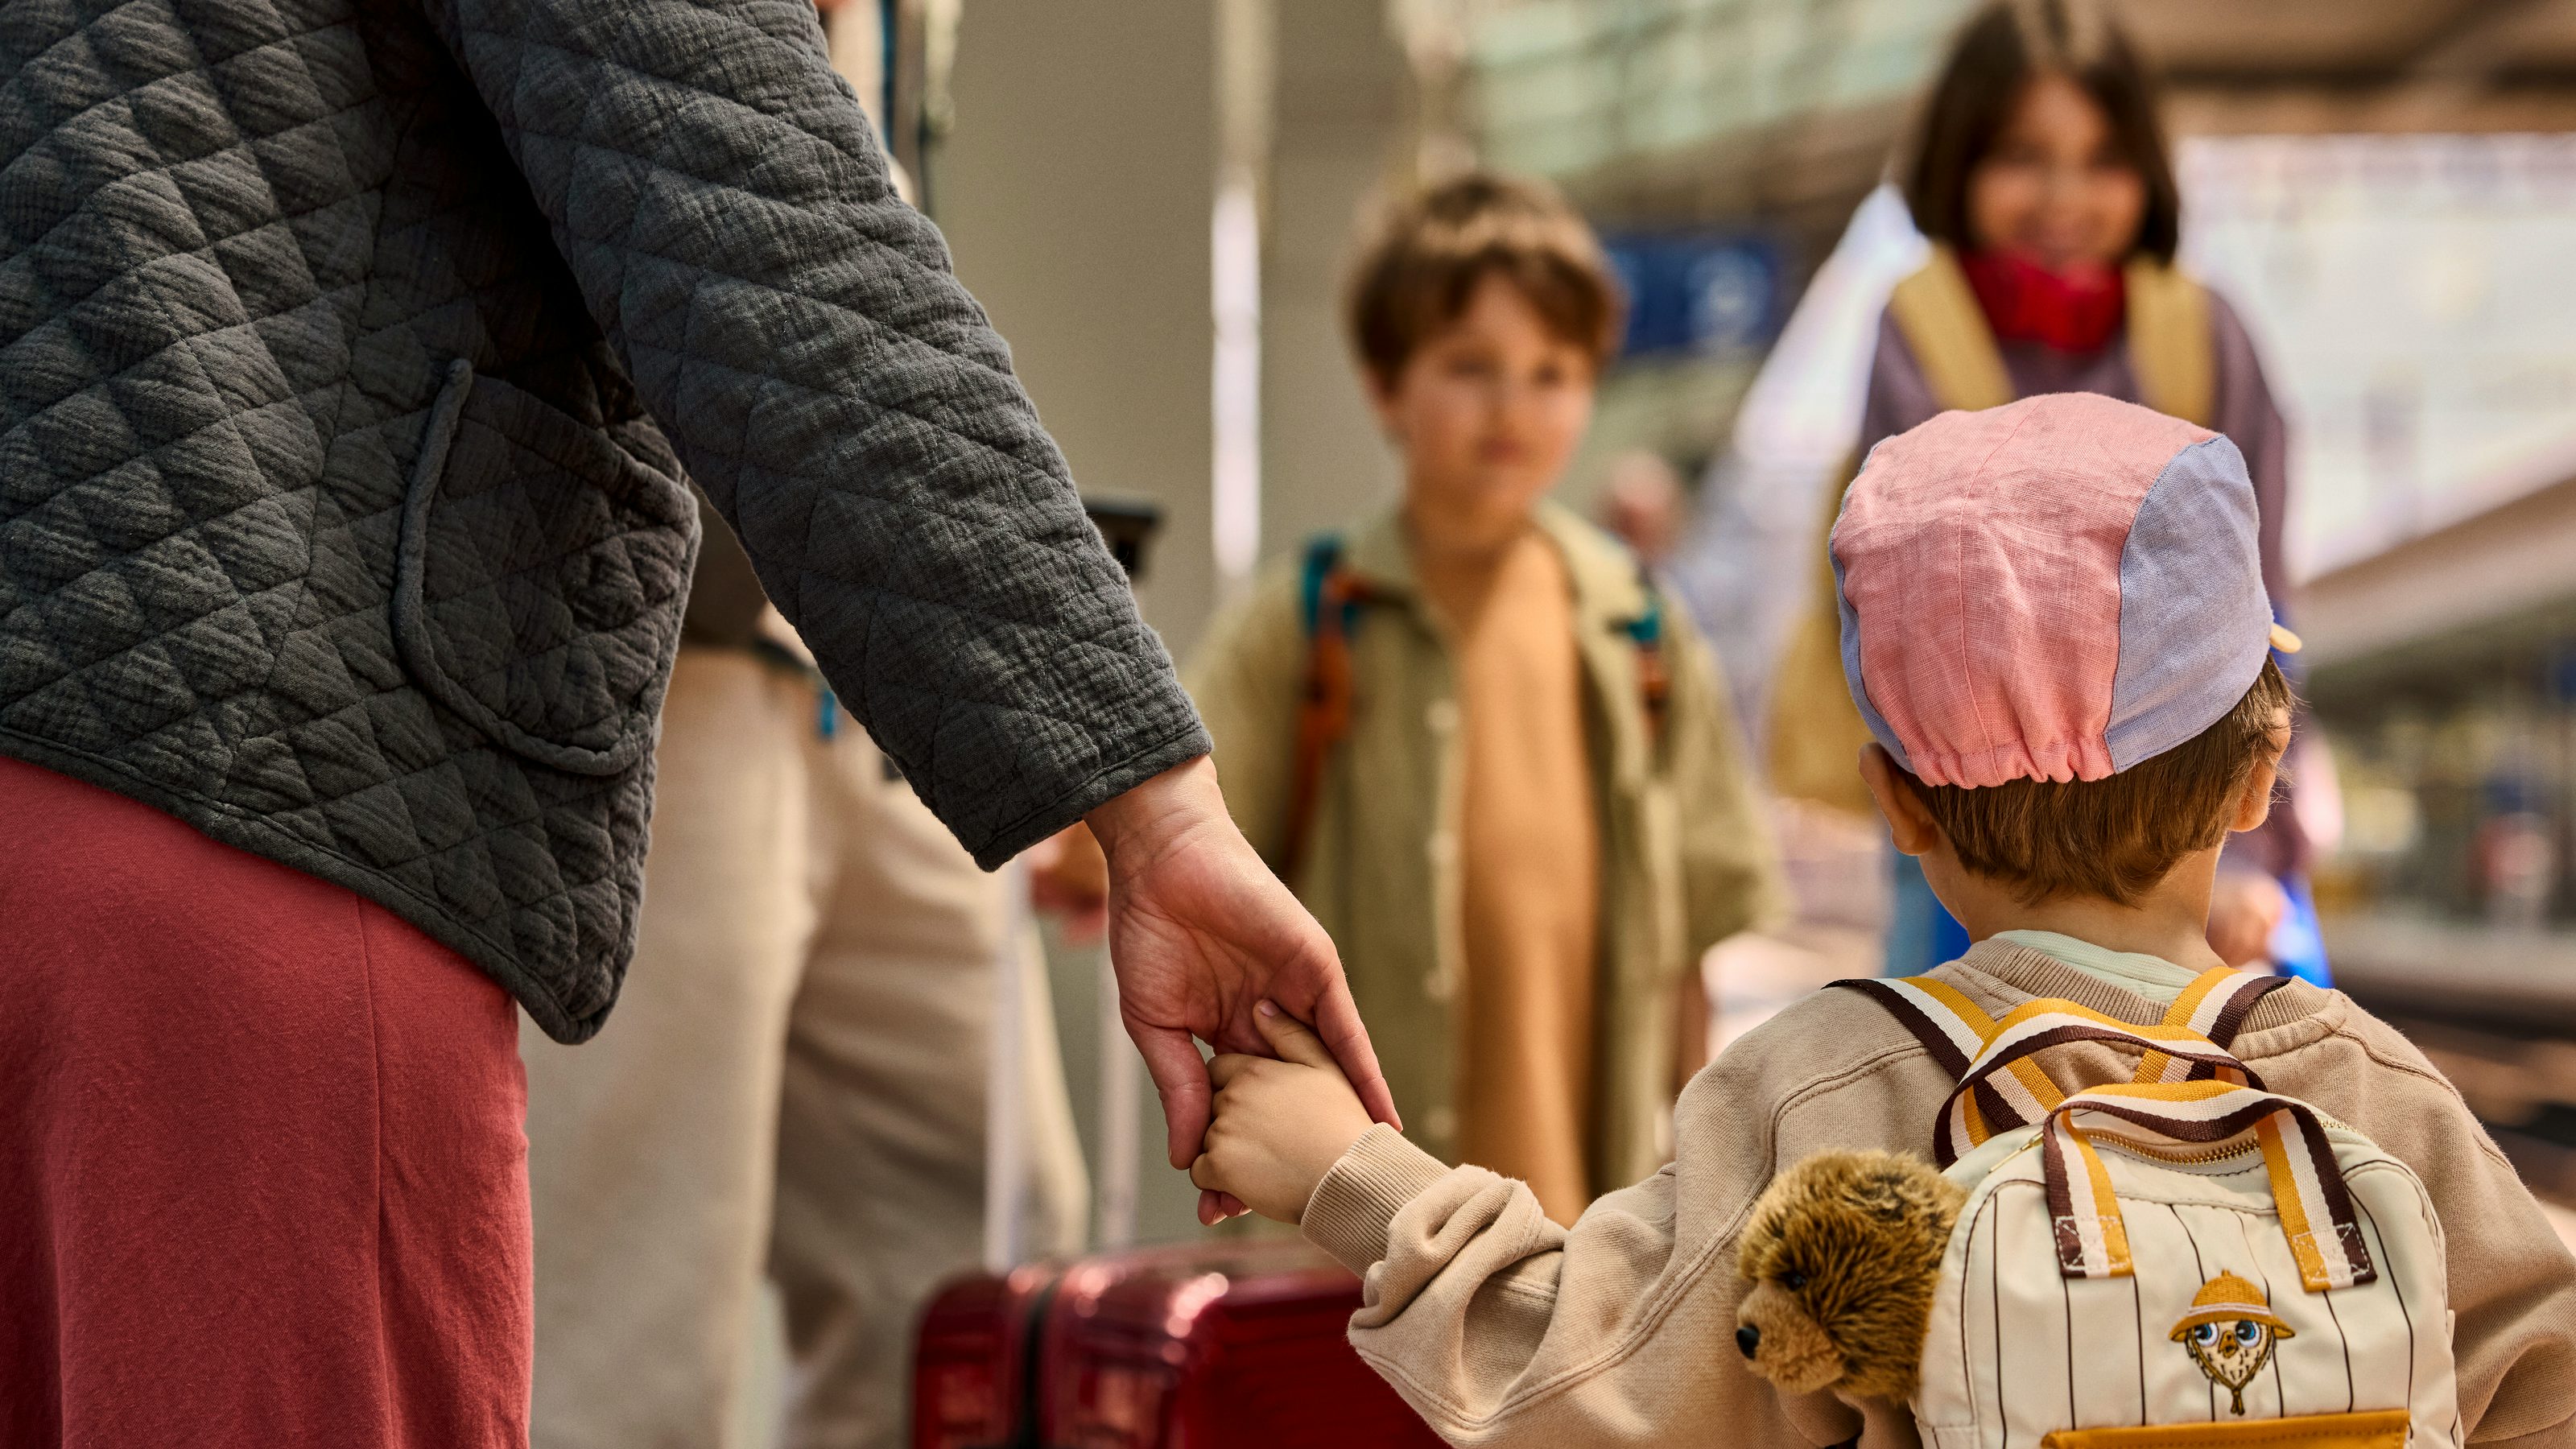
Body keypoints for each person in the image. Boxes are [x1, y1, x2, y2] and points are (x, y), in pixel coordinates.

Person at [0, 2, 1392, 1443]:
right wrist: (1151, 800)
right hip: (259, 769)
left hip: (127, 733)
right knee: (635, 1315)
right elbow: (768, 239)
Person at [1185, 395, 2576, 1447]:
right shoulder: (2359, 1085)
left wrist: (1345, 1175)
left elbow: (1586, 1380)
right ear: (2264, 774)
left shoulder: (1831, 1089)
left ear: (1897, 807)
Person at [1187, 174, 1782, 1228]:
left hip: (1572, 1228)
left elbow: (1692, 941)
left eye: (1553, 372)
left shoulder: (1639, 631)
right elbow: (1190, 842)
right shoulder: (1310, 619)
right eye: (1471, 367)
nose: (1514, 405)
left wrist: (1699, 1188)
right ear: (1384, 384)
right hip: (1341, 1237)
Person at [1769, 0, 2309, 979]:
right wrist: (1958, 830)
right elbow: (1911, 611)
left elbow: (2261, 606)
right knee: (1942, 1084)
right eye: (2022, 154)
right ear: (1958, 163)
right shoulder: (1920, 328)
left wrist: (2257, 850)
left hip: (2180, 820)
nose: (2064, 196)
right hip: (1969, 813)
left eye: (2101, 159)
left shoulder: (2203, 332)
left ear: (2144, 174)